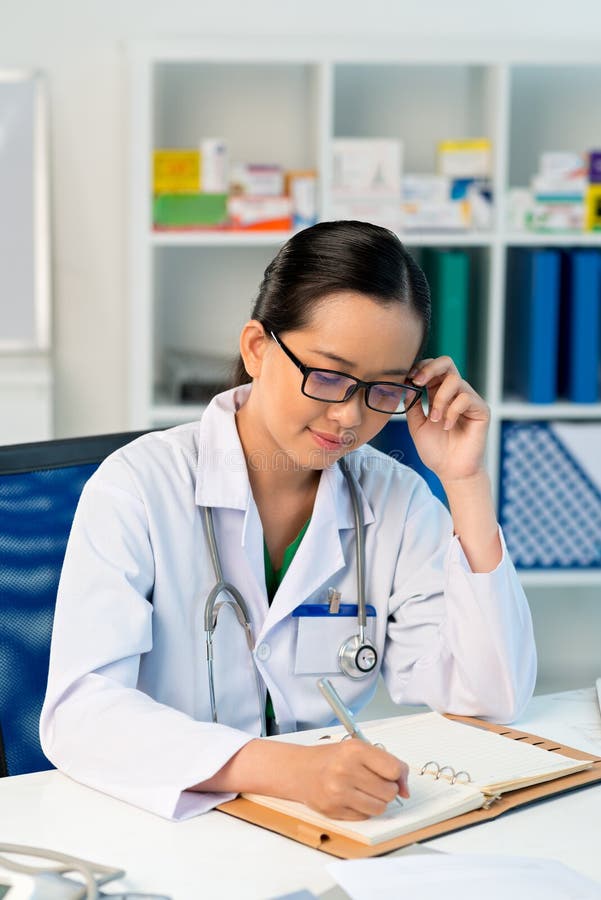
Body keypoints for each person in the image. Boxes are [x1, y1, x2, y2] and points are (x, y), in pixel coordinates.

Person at [40, 220, 537, 822]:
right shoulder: (139, 488)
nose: (348, 416)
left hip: (315, 829)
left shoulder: (396, 500)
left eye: (382, 388)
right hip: (165, 823)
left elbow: (491, 698)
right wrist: (285, 770)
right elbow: (80, 714)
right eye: (327, 375)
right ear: (256, 348)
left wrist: (465, 483)